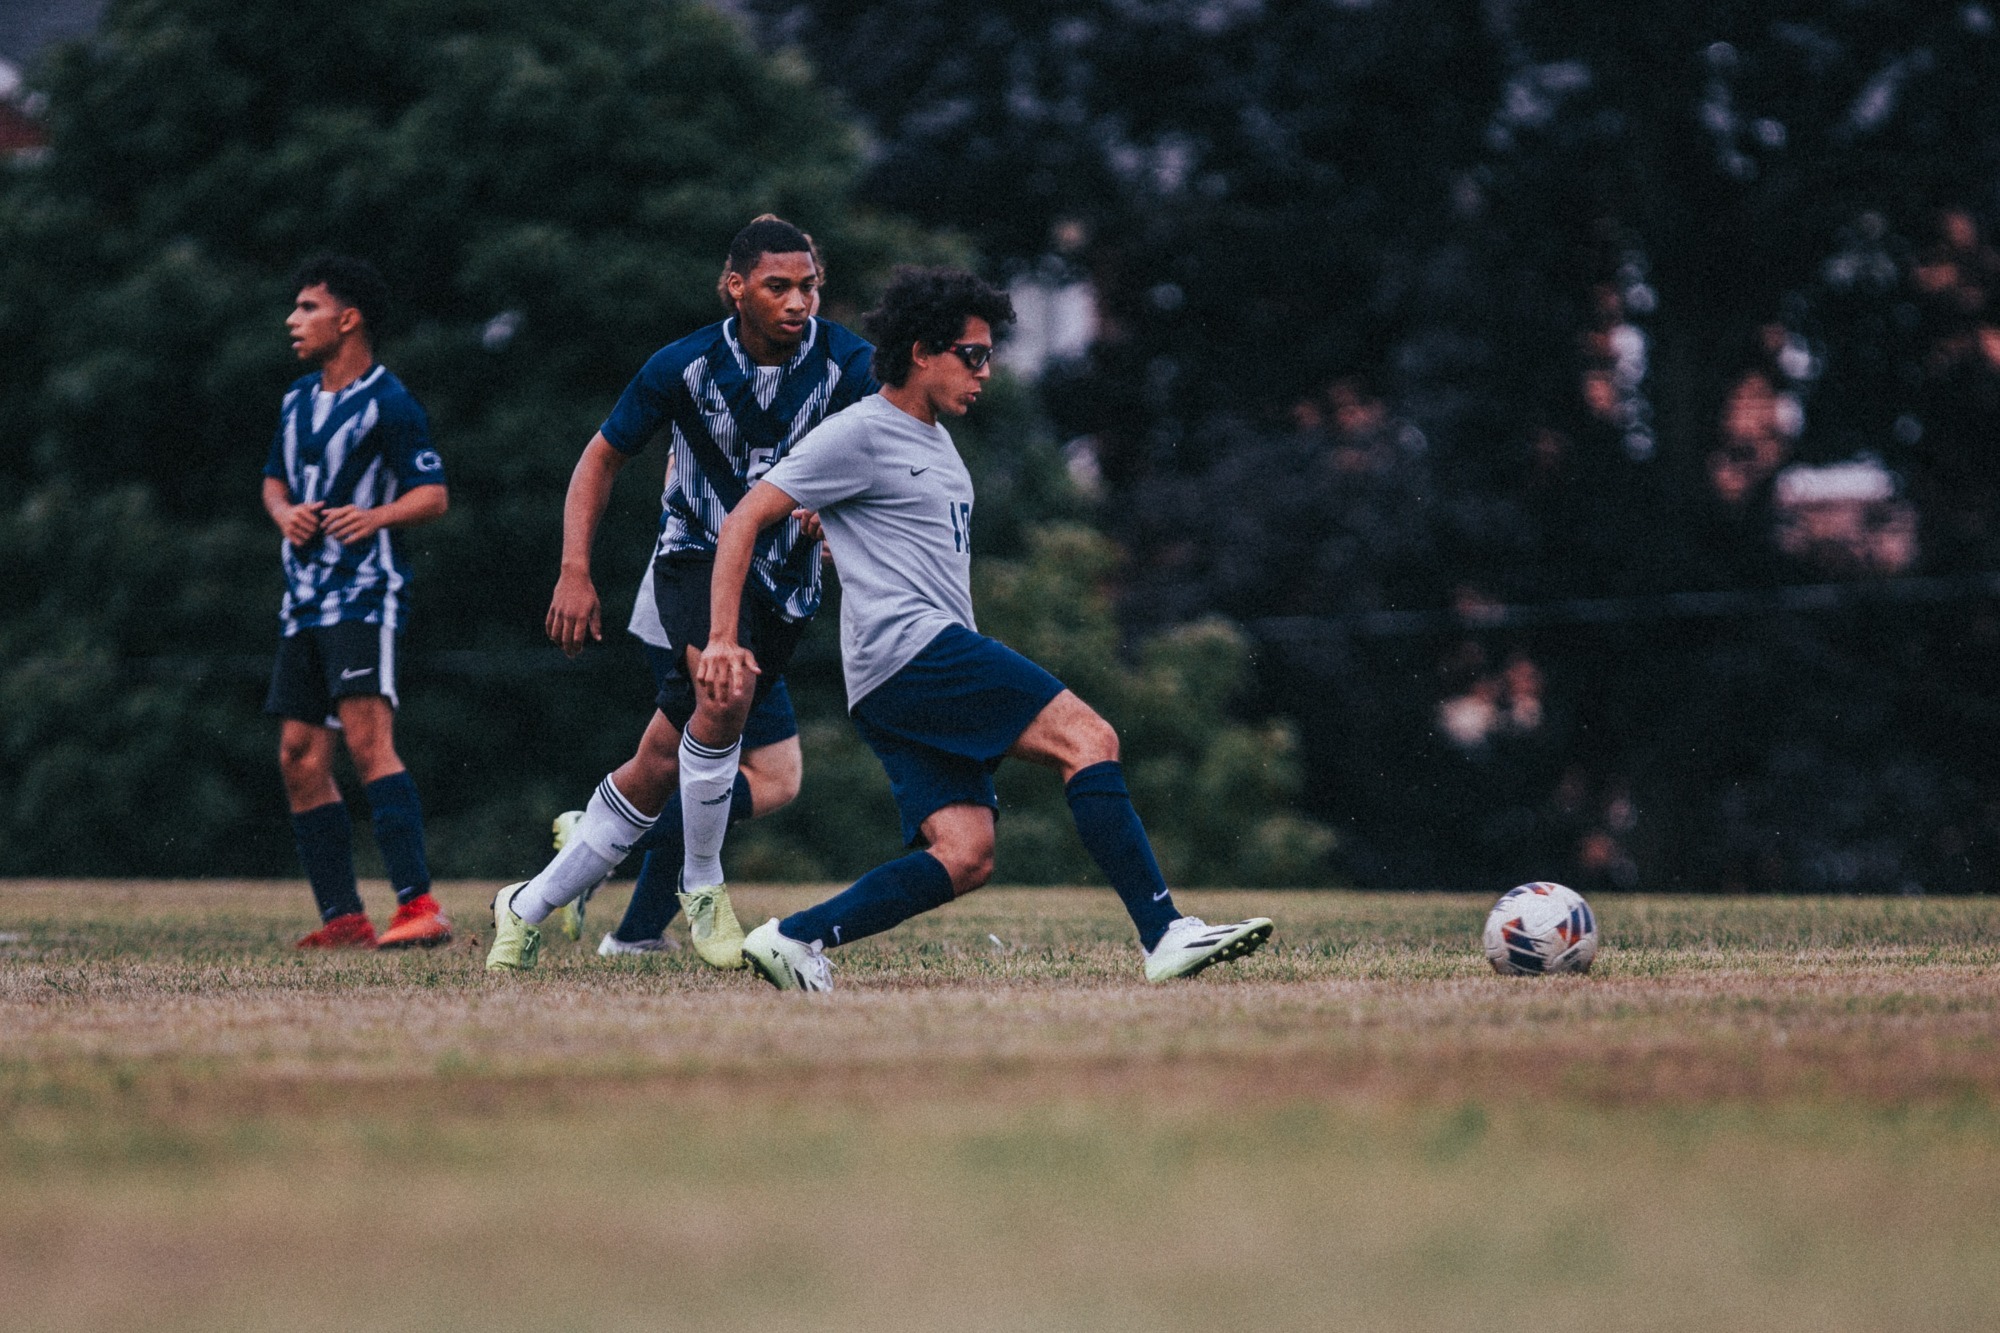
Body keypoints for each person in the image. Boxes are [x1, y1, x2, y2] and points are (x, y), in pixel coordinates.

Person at [698, 267, 1274, 991]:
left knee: (965, 853)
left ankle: (793, 936)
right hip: (915, 654)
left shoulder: (933, 440)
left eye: (990, 355)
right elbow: (746, 517)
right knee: (1088, 738)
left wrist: (835, 530)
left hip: (890, 676)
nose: (987, 371)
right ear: (920, 352)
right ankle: (1165, 932)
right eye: (972, 354)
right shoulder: (861, 432)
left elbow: (876, 531)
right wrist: (724, 636)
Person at [486, 216, 877, 972]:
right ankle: (703, 888)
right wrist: (575, 568)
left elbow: (879, 454)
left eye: (810, 286)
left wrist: (839, 512)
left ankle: (527, 902)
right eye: (779, 286)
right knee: (724, 692)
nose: (800, 302)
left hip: (788, 587)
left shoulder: (848, 363)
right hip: (693, 559)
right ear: (735, 288)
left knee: (660, 760)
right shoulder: (682, 366)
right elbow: (601, 459)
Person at [263, 255, 451, 949]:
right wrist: (284, 513)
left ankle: (419, 905)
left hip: (363, 597)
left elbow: (433, 495)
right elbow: (274, 483)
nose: (294, 319)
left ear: (349, 319)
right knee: (298, 754)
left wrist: (374, 518)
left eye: (308, 307)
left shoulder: (390, 403)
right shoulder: (294, 401)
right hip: (303, 600)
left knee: (370, 742)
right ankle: (343, 918)